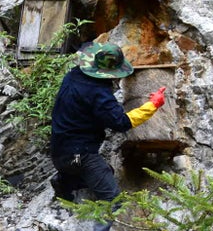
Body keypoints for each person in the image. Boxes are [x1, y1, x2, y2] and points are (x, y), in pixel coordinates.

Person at [50, 41, 166, 231]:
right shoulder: (98, 93)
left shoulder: (73, 76)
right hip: (81, 156)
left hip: (59, 152)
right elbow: (121, 123)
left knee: (105, 171)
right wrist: (152, 105)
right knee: (114, 201)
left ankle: (64, 181)